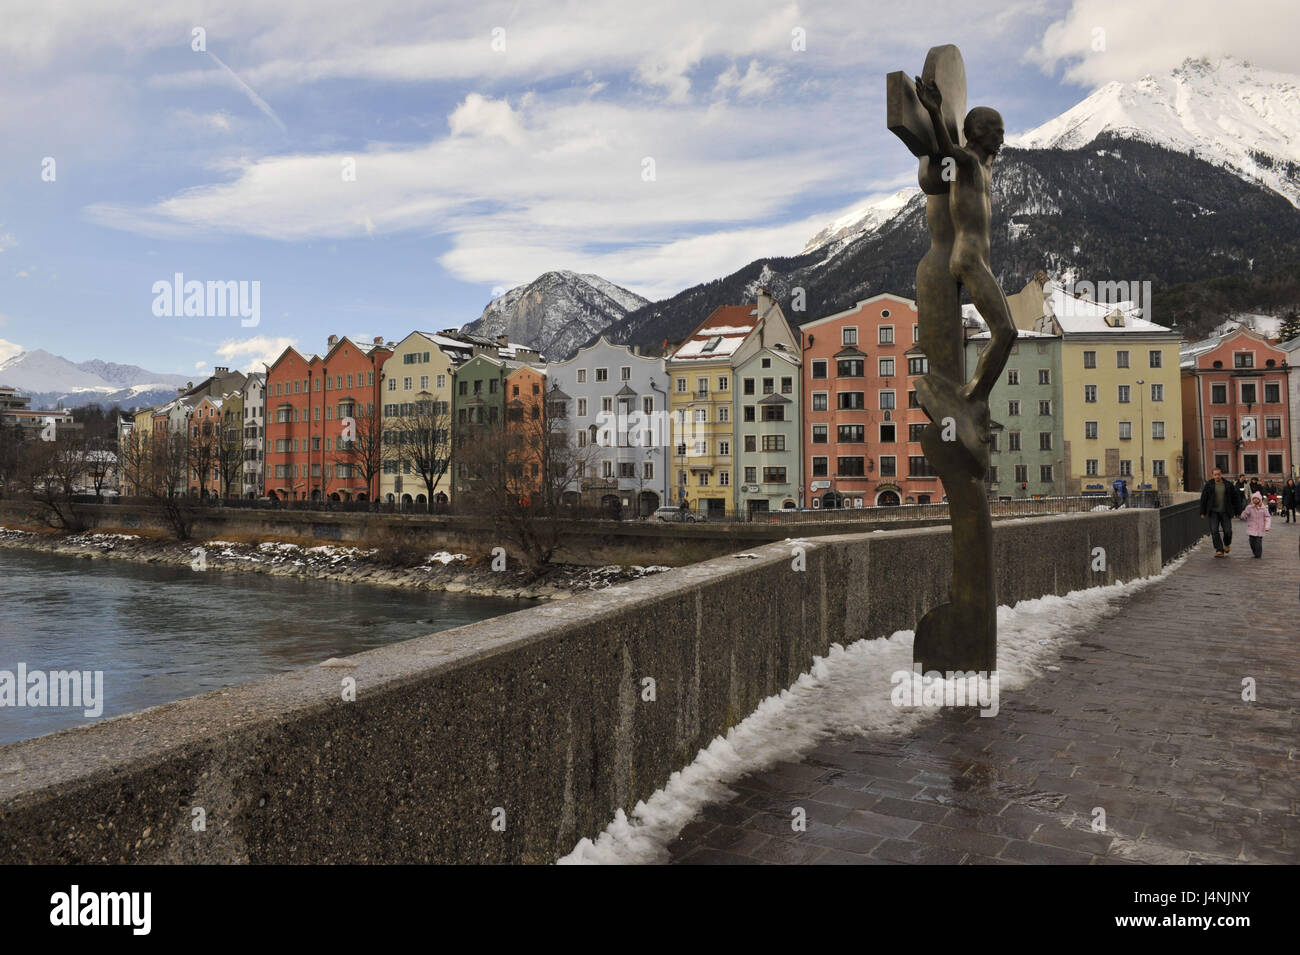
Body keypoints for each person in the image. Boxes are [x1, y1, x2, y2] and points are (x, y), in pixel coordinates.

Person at [1199, 467, 1244, 557]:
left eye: (1218, 474)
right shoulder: (1209, 485)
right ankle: (1219, 550)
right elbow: (1203, 499)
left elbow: (1235, 498)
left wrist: (1238, 511)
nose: (1217, 476)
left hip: (1225, 512)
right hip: (1213, 512)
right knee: (1214, 531)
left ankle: (1227, 544)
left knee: (1228, 531)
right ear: (1212, 475)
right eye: (1215, 474)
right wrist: (1202, 512)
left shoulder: (1228, 485)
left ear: (1221, 474)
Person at [1241, 491, 1272, 558]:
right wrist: (1245, 513)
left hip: (1260, 529)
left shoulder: (1264, 508)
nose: (1255, 500)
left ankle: (1258, 554)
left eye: (1257, 499)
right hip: (1251, 528)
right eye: (1254, 498)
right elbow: (1244, 516)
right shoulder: (1249, 507)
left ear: (1260, 499)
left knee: (1258, 543)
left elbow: (1268, 517)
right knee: (1252, 542)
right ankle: (1255, 552)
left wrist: (1267, 526)